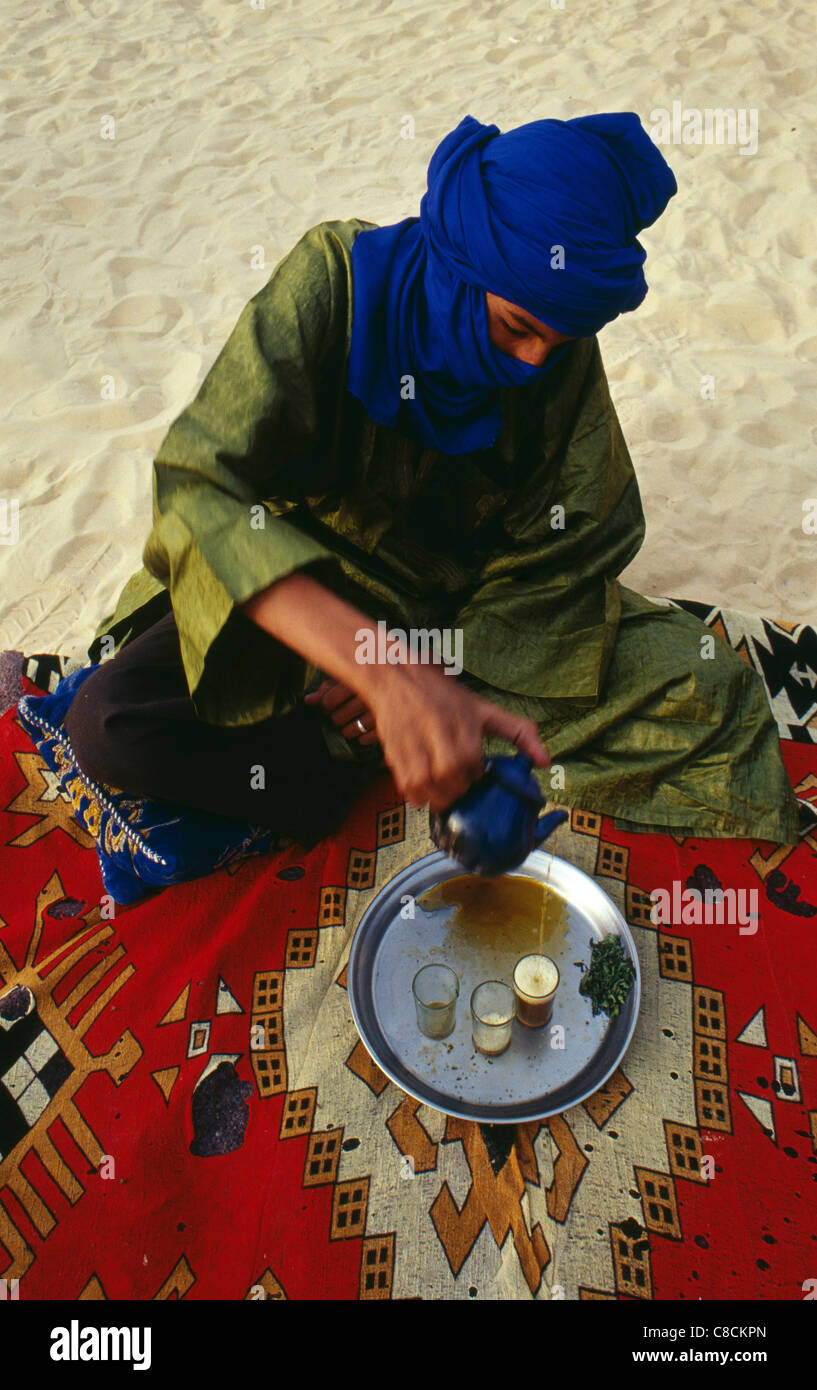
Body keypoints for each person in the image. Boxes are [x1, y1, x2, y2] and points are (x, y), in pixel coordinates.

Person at [64, 113, 800, 853]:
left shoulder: (551, 339)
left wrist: (431, 661)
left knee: (703, 693)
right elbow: (198, 485)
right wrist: (375, 668)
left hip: (456, 613)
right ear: (461, 262)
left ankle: (370, 738)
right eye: (515, 327)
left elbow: (569, 540)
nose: (535, 361)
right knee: (111, 722)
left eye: (558, 339)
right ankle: (350, 749)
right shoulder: (333, 282)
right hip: (292, 583)